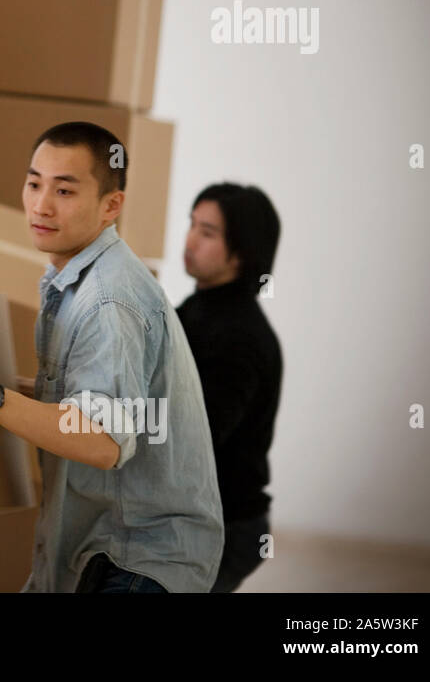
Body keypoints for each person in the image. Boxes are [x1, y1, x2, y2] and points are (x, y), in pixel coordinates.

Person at [0, 121, 224, 592]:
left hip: (136, 563)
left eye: (65, 191)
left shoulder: (108, 300)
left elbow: (101, 440)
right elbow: (85, 404)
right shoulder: (76, 283)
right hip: (99, 550)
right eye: (34, 184)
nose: (41, 205)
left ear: (111, 205)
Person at [178, 183, 282, 592]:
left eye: (207, 233)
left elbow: (197, 432)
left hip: (229, 527)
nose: (189, 240)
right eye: (192, 224)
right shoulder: (200, 306)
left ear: (240, 252)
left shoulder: (240, 334)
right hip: (208, 518)